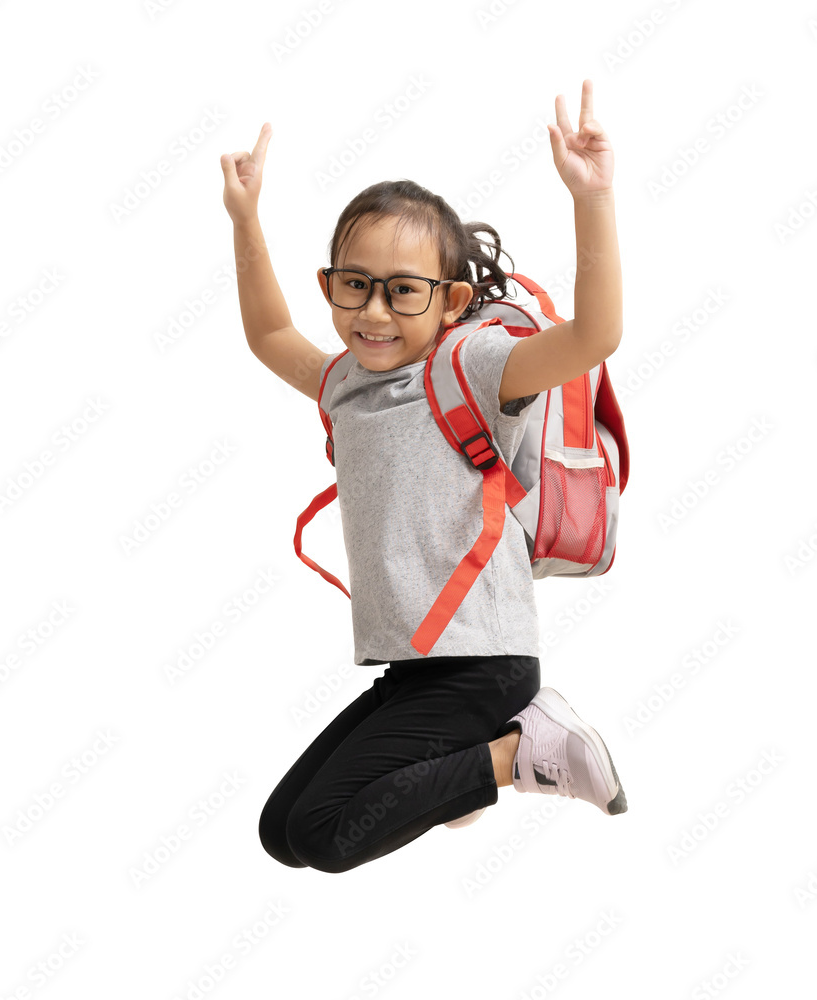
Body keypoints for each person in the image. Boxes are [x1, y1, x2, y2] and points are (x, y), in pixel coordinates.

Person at [220, 79, 627, 874]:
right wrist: (246, 219)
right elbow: (270, 333)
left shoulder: (474, 367)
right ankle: (471, 771)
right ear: (330, 285)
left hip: (483, 661)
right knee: (283, 835)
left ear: (453, 302)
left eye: (403, 291)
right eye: (353, 285)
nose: (374, 311)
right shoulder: (347, 380)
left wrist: (594, 199)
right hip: (414, 669)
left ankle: (516, 755)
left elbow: (594, 336)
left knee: (329, 835)